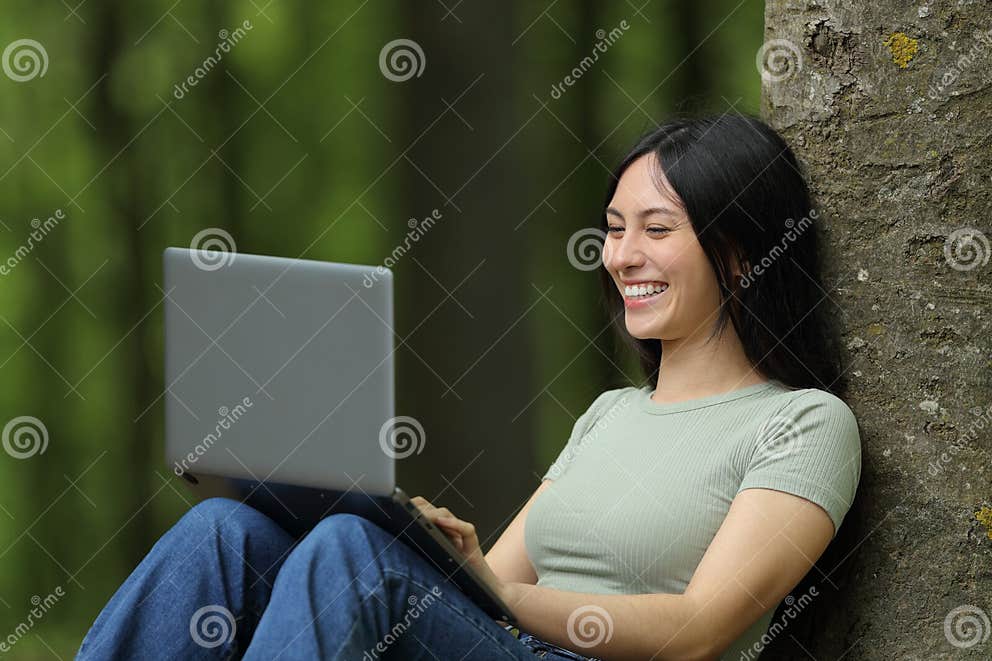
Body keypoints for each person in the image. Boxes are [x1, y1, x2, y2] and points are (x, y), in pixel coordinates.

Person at [77, 114, 861, 660]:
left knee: (353, 554)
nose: (622, 255)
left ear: (739, 254)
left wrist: (484, 590)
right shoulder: (612, 412)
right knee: (229, 531)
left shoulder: (803, 424)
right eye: (615, 228)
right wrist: (436, 547)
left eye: (657, 229)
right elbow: (496, 580)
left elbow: (697, 631)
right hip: (508, 645)